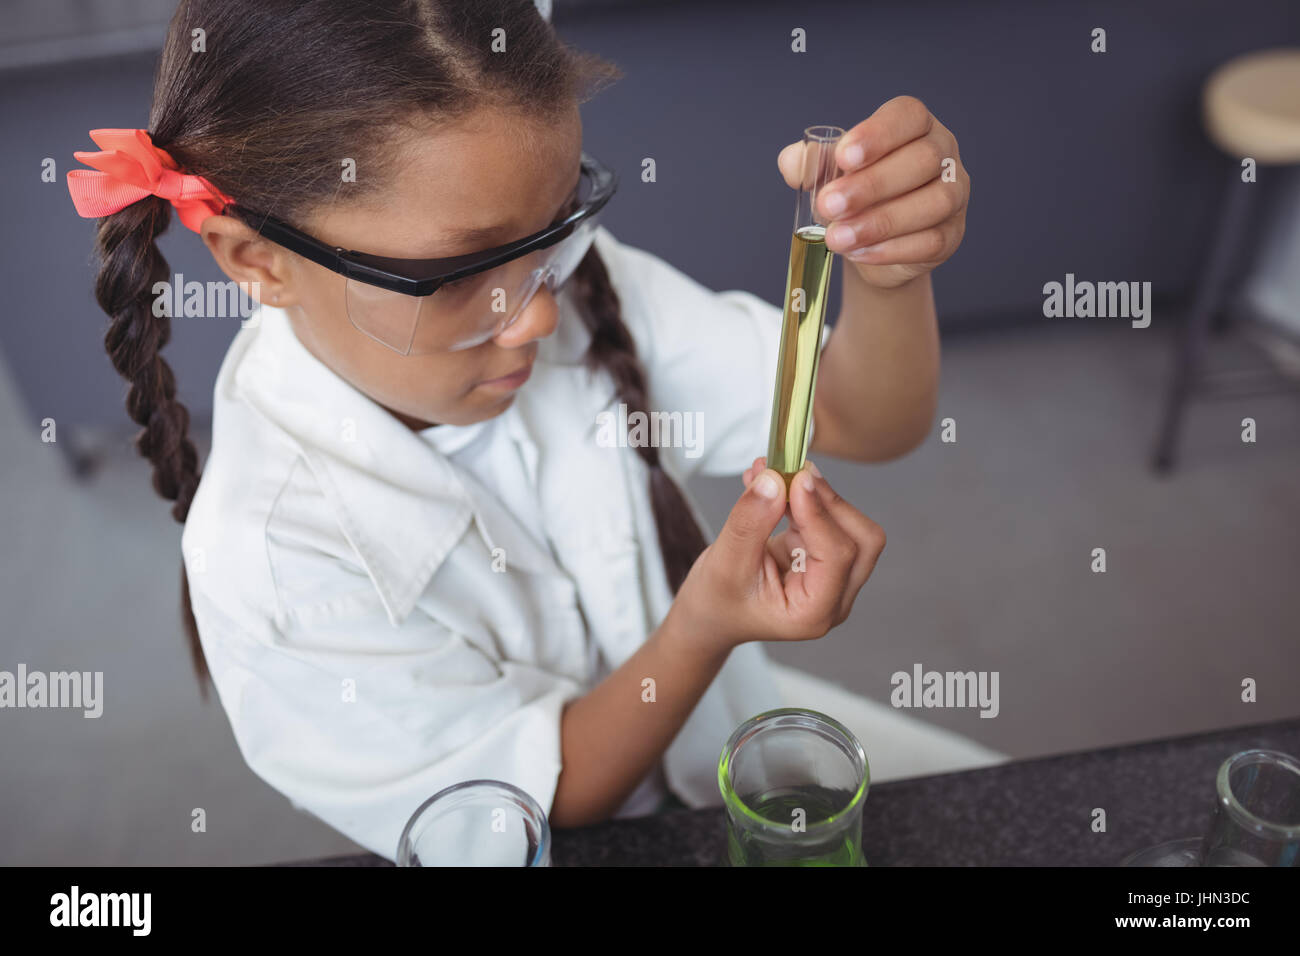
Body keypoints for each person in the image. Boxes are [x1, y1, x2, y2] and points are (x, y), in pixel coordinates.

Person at [67, 0, 999, 861]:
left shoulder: (580, 284)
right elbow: (538, 808)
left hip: (731, 729)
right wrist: (703, 624)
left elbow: (864, 418)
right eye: (458, 272)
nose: (538, 320)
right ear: (254, 261)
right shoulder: (271, 564)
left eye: (554, 232)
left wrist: (887, 267)